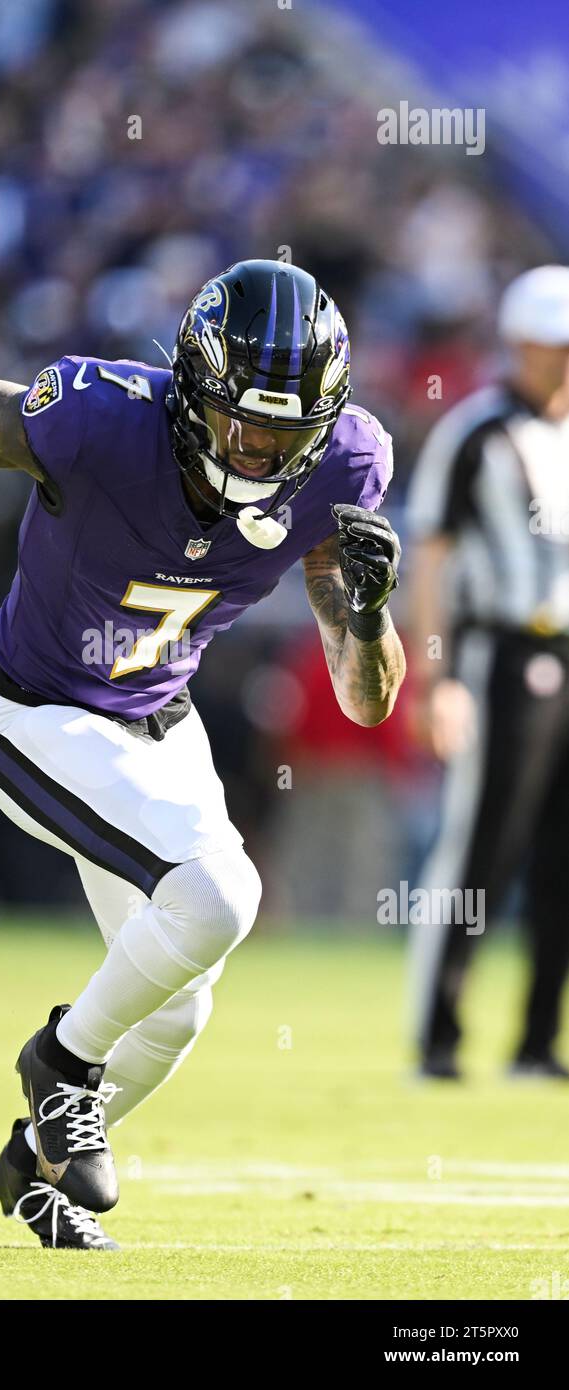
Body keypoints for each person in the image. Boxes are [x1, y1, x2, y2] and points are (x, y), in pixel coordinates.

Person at [0, 259, 404, 1248]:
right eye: (240, 420)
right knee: (221, 896)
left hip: (158, 721)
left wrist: (367, 611)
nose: (258, 447)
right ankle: (61, 1066)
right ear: (192, 388)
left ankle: (34, 1161)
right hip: (29, 711)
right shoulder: (101, 419)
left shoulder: (343, 470)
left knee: (179, 1007)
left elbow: (367, 701)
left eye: (282, 432)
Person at [407, 264, 569, 1081]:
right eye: (551, 347)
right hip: (498, 652)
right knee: (480, 844)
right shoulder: (475, 431)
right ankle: (437, 1034)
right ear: (518, 345)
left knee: (560, 858)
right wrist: (435, 678)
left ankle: (537, 1041)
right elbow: (430, 556)